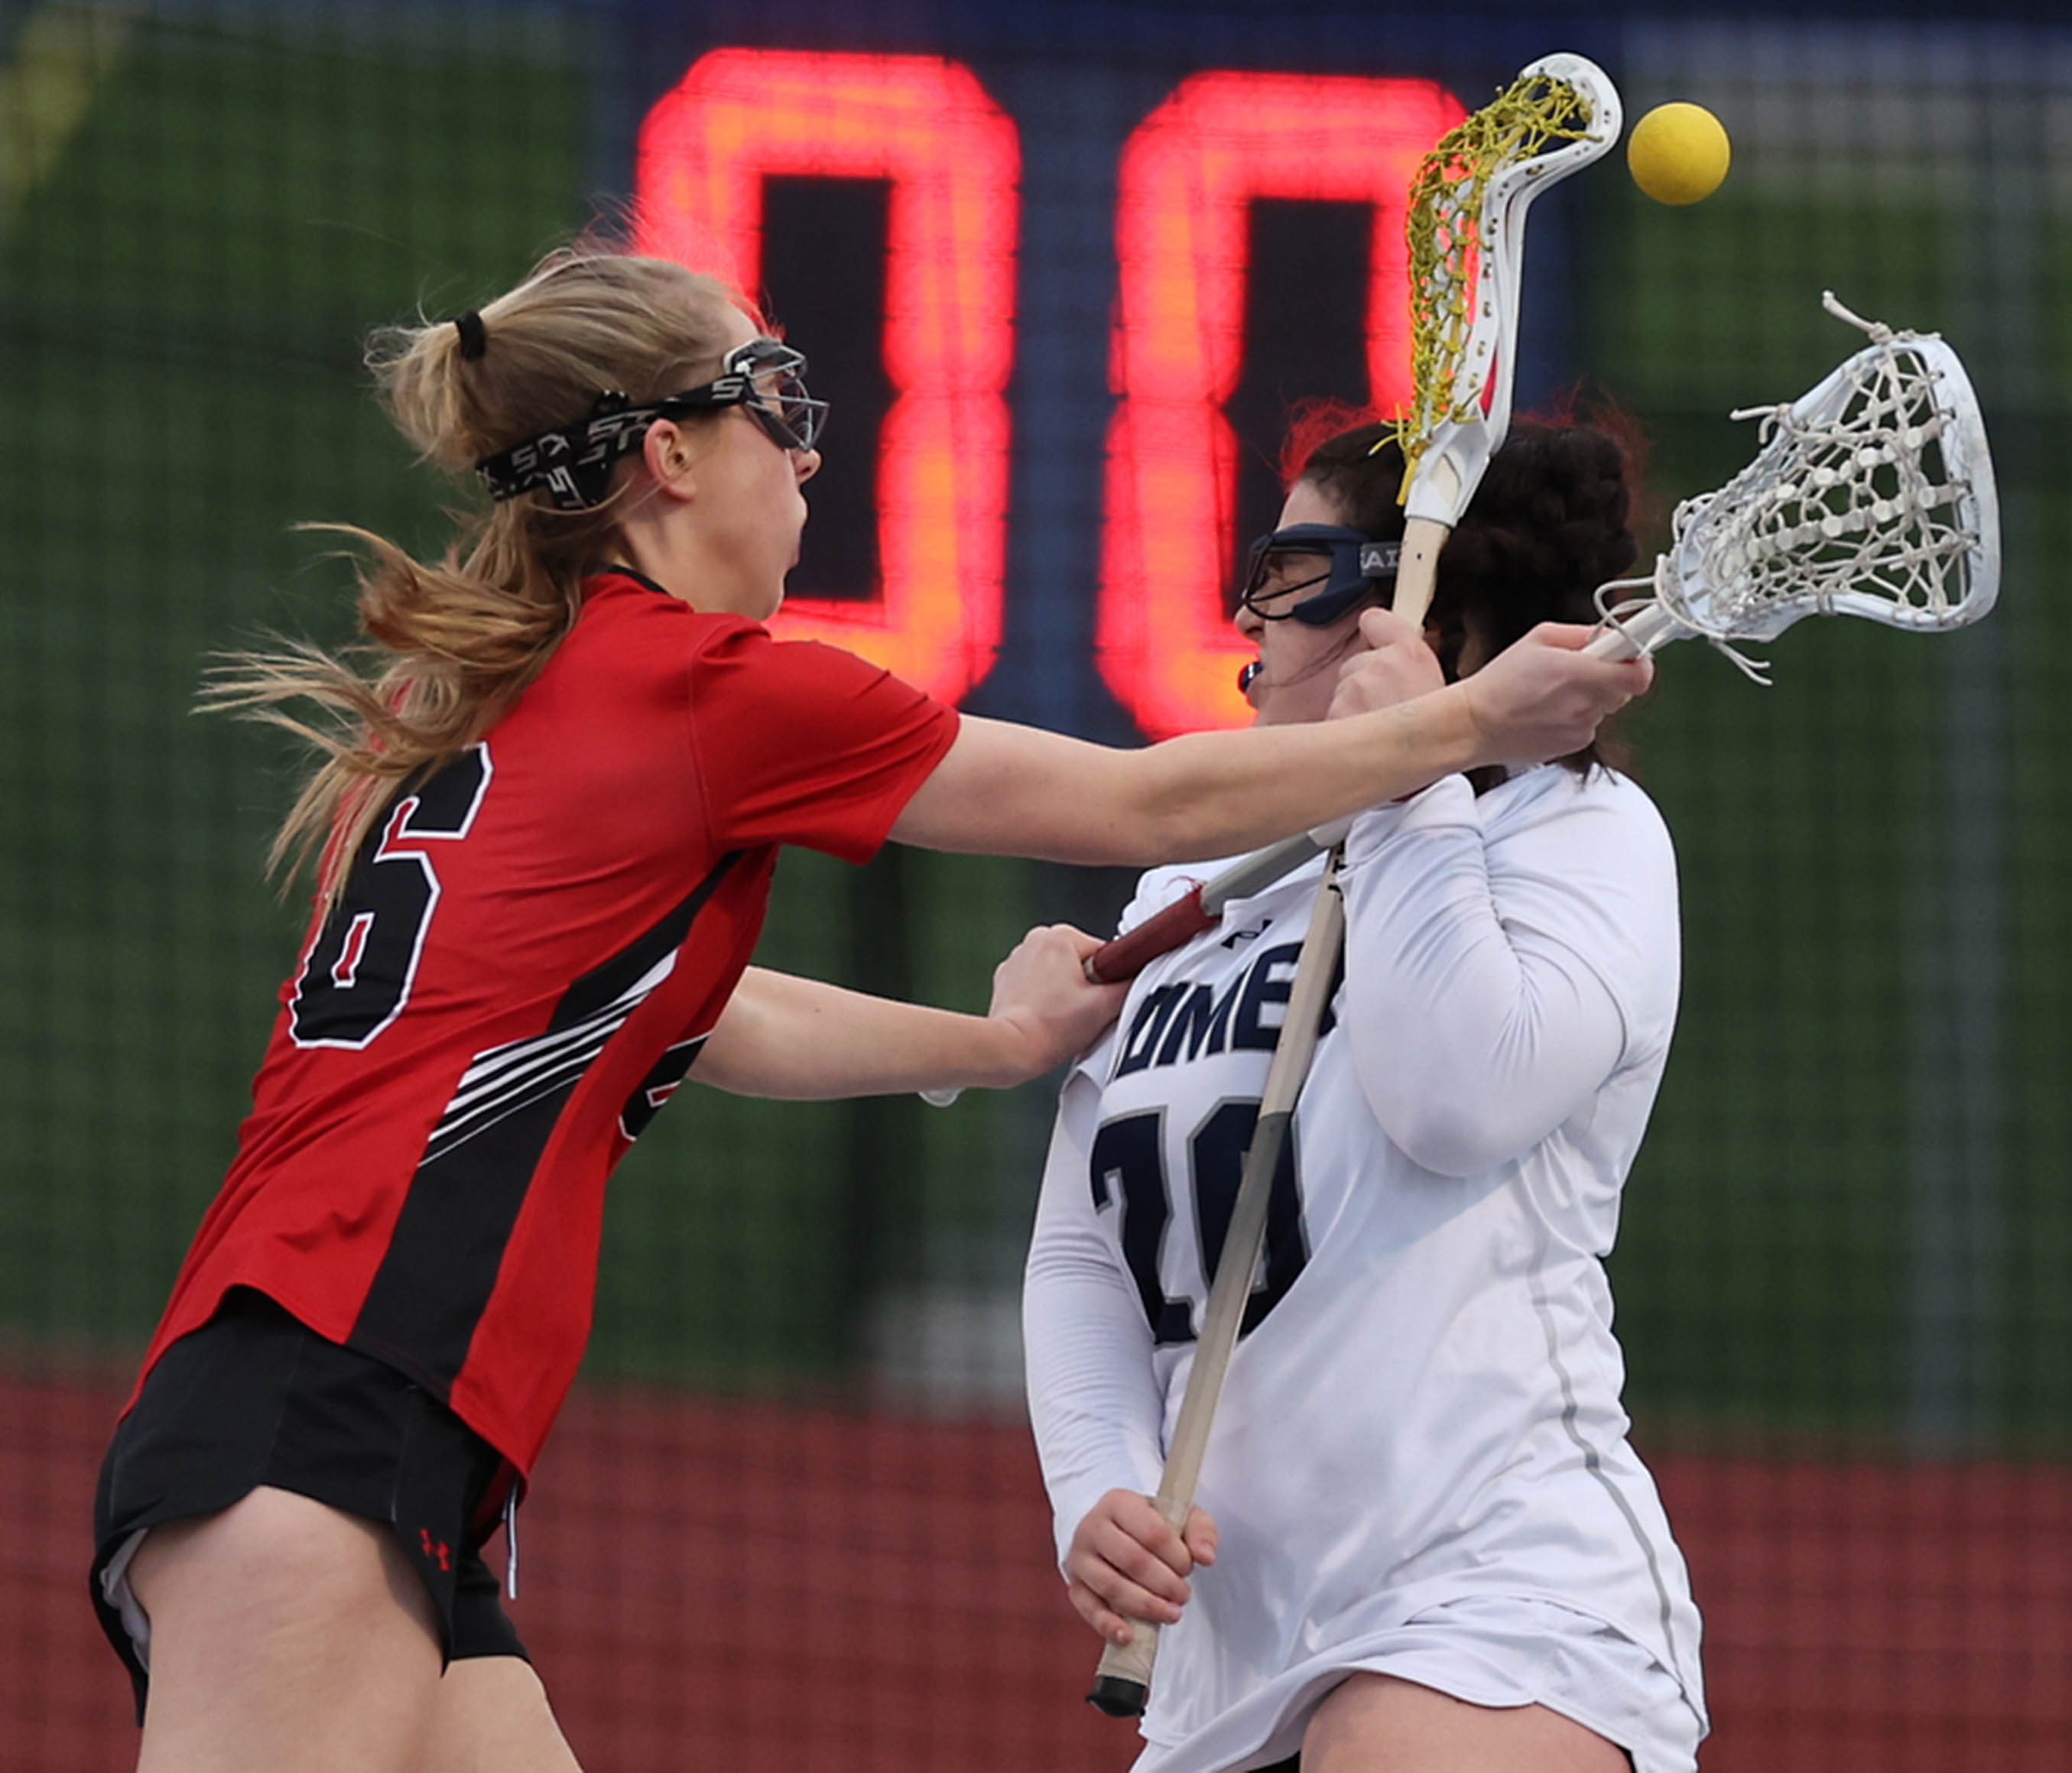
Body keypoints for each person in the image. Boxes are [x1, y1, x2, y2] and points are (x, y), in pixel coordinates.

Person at [86, 251, 1651, 1772]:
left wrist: (992, 1046)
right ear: (668, 455)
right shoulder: (705, 689)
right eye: (774, 399)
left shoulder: (527, 701)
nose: (811, 448)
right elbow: (1144, 800)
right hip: (332, 1400)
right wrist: (1467, 719)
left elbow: (702, 1013)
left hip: (364, 1420)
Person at [1024, 407, 1707, 1773]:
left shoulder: (1575, 834)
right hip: (1227, 1668)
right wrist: (1095, 1487)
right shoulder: (1192, 894)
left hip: (1498, 1597)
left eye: (1290, 572)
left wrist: (1407, 776)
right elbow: (1083, 1251)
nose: (1249, 618)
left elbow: (1458, 1096)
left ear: (1418, 614)